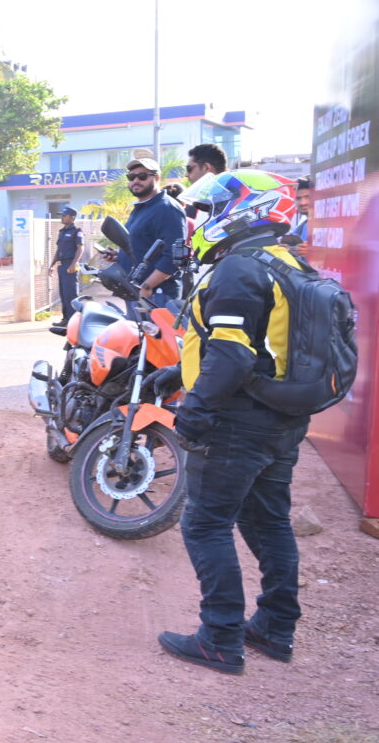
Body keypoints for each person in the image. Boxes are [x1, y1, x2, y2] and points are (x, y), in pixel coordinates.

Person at [153, 170, 306, 674]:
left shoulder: (239, 268)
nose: (204, 218)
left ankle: (220, 637)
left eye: (215, 208)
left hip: (237, 423)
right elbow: (262, 344)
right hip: (281, 419)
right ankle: (276, 629)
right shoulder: (289, 263)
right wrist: (180, 372)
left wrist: (195, 412)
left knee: (205, 524)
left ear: (248, 209)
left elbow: (234, 355)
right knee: (270, 522)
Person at [122, 157, 187, 300]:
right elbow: (144, 245)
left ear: (157, 178)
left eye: (142, 176)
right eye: (131, 177)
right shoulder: (141, 208)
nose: (135, 181)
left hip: (157, 294)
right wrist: (118, 255)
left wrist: (148, 286)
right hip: (135, 291)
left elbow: (174, 256)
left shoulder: (167, 208)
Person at [49, 206, 83, 323]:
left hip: (70, 266)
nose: (62, 218)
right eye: (61, 216)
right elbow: (59, 251)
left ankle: (74, 321)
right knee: (63, 294)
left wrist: (74, 264)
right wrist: (52, 265)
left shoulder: (77, 231)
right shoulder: (62, 232)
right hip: (62, 266)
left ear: (72, 217)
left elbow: (80, 248)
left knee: (71, 294)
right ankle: (66, 319)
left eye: (64, 216)